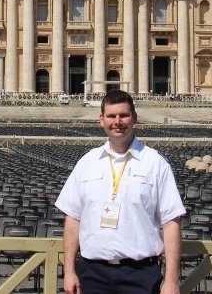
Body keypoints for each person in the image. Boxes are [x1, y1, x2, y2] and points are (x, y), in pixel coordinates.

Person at [56, 90, 185, 294]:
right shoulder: (87, 162)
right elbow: (73, 218)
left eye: (123, 115)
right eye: (111, 116)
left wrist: (172, 281)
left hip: (140, 273)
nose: (117, 121)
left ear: (134, 118)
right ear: (101, 120)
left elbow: (171, 222)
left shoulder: (156, 163)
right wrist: (69, 270)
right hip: (92, 273)